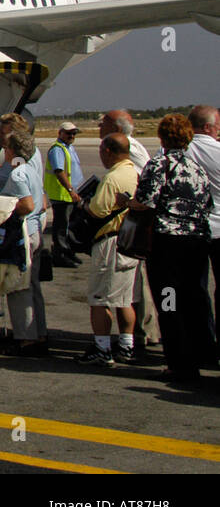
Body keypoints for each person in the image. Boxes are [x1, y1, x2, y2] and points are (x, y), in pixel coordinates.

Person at [119, 114, 214, 382]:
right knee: (192, 298)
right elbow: (207, 204)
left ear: (162, 136)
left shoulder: (160, 163)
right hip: (196, 242)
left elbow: (146, 202)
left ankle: (178, 360)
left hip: (167, 245)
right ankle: (197, 352)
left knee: (169, 300)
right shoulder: (197, 168)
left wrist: (126, 203)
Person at [77, 134, 141, 365]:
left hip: (110, 241)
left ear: (108, 152)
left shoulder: (113, 178)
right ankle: (127, 345)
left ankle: (102, 348)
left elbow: (98, 209)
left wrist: (83, 204)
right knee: (125, 298)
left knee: (99, 298)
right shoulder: (134, 173)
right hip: (129, 241)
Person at [99, 109, 158, 345]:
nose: (99, 126)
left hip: (134, 221)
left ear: (116, 128)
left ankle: (144, 330)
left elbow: (144, 181)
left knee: (137, 281)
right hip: (134, 219)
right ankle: (142, 330)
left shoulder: (129, 149)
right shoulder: (132, 147)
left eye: (103, 123)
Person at [0, 130, 48, 355]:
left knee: (18, 288)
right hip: (36, 231)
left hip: (24, 234)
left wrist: (5, 209)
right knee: (32, 286)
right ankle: (38, 331)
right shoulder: (31, 170)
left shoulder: (18, 175)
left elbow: (26, 204)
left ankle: (25, 338)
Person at [186, 105, 220, 348]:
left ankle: (201, 342)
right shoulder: (217, 150)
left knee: (193, 290)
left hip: (191, 230)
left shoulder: (178, 152)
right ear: (208, 127)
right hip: (218, 228)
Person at [45, 121, 84, 267]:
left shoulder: (69, 148)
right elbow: (59, 171)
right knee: (61, 227)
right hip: (62, 195)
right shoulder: (57, 149)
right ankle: (59, 255)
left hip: (71, 195)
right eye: (68, 133)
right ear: (60, 133)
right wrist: (70, 190)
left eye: (74, 133)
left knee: (70, 227)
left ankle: (69, 252)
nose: (71, 136)